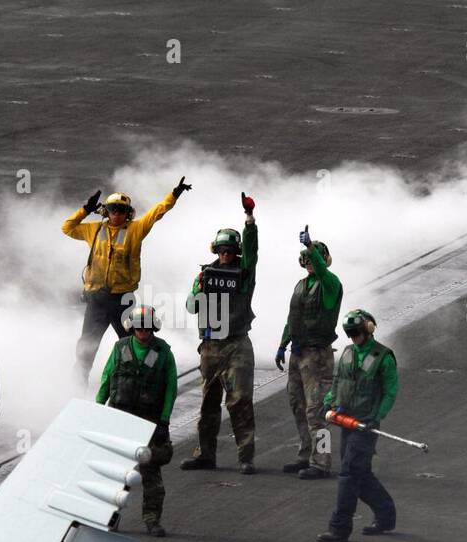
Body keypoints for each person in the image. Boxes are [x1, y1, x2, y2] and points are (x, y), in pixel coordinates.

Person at [62, 178, 191, 380]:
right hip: (96, 300)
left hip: (122, 301)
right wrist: (85, 209)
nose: (116, 213)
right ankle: (76, 390)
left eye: (121, 210)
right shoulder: (94, 229)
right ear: (106, 210)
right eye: (113, 208)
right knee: (85, 351)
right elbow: (67, 228)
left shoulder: (135, 230)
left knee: (132, 348)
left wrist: (174, 194)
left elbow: (158, 212)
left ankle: (134, 387)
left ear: (127, 213)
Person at [182, 192, 258, 475]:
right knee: (208, 404)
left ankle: (246, 457)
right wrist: (200, 289)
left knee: (239, 402)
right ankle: (205, 454)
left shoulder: (244, 273)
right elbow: (190, 307)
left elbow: (253, 251)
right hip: (211, 344)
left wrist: (250, 221)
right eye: (221, 250)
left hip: (236, 343)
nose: (225, 255)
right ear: (215, 250)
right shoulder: (205, 274)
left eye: (230, 251)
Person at [317, 309, 397, 542]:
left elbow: (390, 392)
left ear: (368, 330)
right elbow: (338, 381)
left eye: (356, 333)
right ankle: (386, 515)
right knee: (359, 474)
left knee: (349, 474)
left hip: (366, 425)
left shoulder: (384, 357)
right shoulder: (349, 352)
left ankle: (339, 528)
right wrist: (330, 402)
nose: (353, 338)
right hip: (347, 421)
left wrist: (376, 416)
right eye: (349, 334)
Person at [96, 304, 177, 536]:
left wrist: (164, 421)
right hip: (121, 420)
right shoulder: (120, 348)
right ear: (132, 329)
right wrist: (98, 409)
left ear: (153, 330)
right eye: (139, 329)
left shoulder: (163, 353)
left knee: (151, 473)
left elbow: (171, 387)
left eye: (147, 329)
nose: (143, 333)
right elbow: (107, 378)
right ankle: (110, 520)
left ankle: (152, 520)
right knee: (115, 474)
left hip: (150, 422)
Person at [275, 226, 343, 479]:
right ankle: (305, 454)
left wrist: (311, 247)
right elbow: (292, 318)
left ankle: (321, 462)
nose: (310, 263)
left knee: (317, 412)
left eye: (314, 258)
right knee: (298, 405)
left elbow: (322, 271)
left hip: (318, 355)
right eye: (307, 259)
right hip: (298, 353)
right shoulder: (301, 285)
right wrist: (283, 344)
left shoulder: (330, 284)